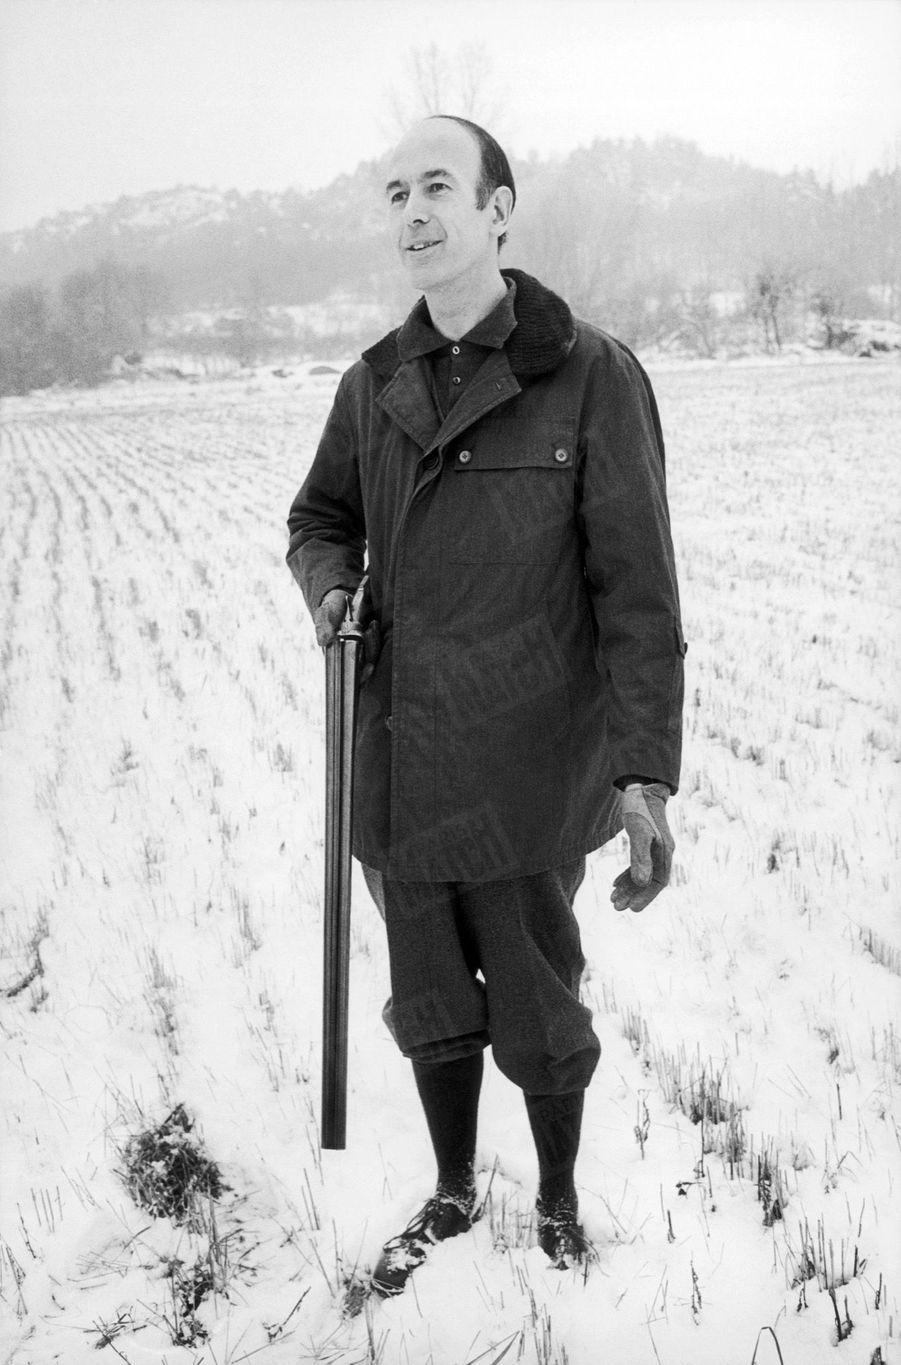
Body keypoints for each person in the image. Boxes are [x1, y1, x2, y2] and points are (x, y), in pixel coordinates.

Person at [286, 114, 685, 1297]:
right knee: (426, 1003)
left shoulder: (591, 375)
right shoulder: (374, 383)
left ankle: (557, 1198)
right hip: (397, 765)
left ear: (499, 211)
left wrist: (644, 773)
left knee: (537, 1006)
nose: (412, 213)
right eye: (394, 191)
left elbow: (638, 591)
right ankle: (455, 1188)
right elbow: (318, 522)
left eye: (438, 188)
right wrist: (333, 591)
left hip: (522, 768)